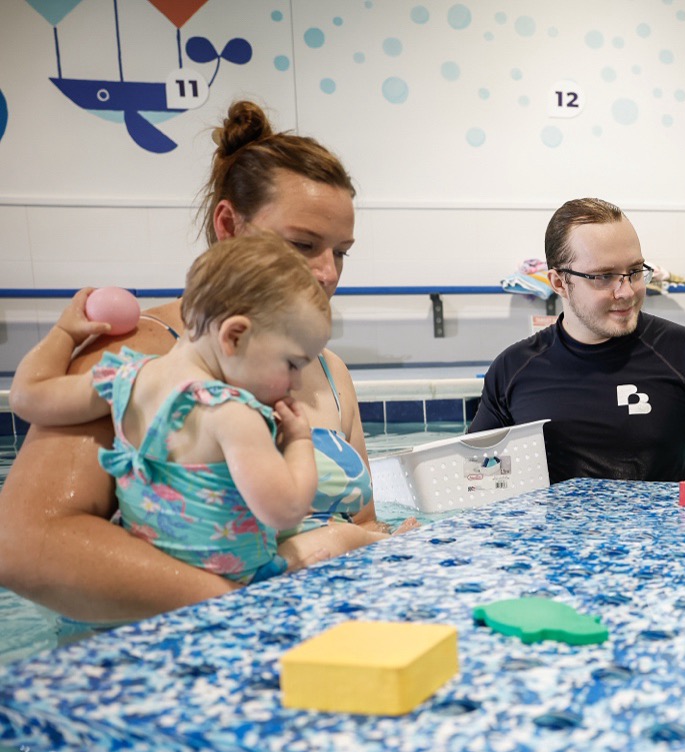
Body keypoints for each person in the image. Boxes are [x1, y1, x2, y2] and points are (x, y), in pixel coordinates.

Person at [0, 99, 396, 621]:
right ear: (229, 225)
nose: (327, 273)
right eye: (303, 244)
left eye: (340, 251)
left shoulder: (327, 371)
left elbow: (363, 521)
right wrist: (254, 595)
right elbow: (25, 546)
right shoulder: (136, 355)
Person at [10, 234, 341, 583]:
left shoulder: (124, 381)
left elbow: (28, 396)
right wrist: (299, 441)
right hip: (237, 594)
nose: (298, 383)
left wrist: (65, 332)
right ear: (235, 337)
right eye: (292, 363)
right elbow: (285, 511)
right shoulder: (232, 414)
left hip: (155, 590)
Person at [469, 197, 685, 485]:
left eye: (634, 271)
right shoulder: (512, 370)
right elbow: (471, 477)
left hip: (659, 542)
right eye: (604, 277)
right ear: (560, 283)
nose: (626, 292)